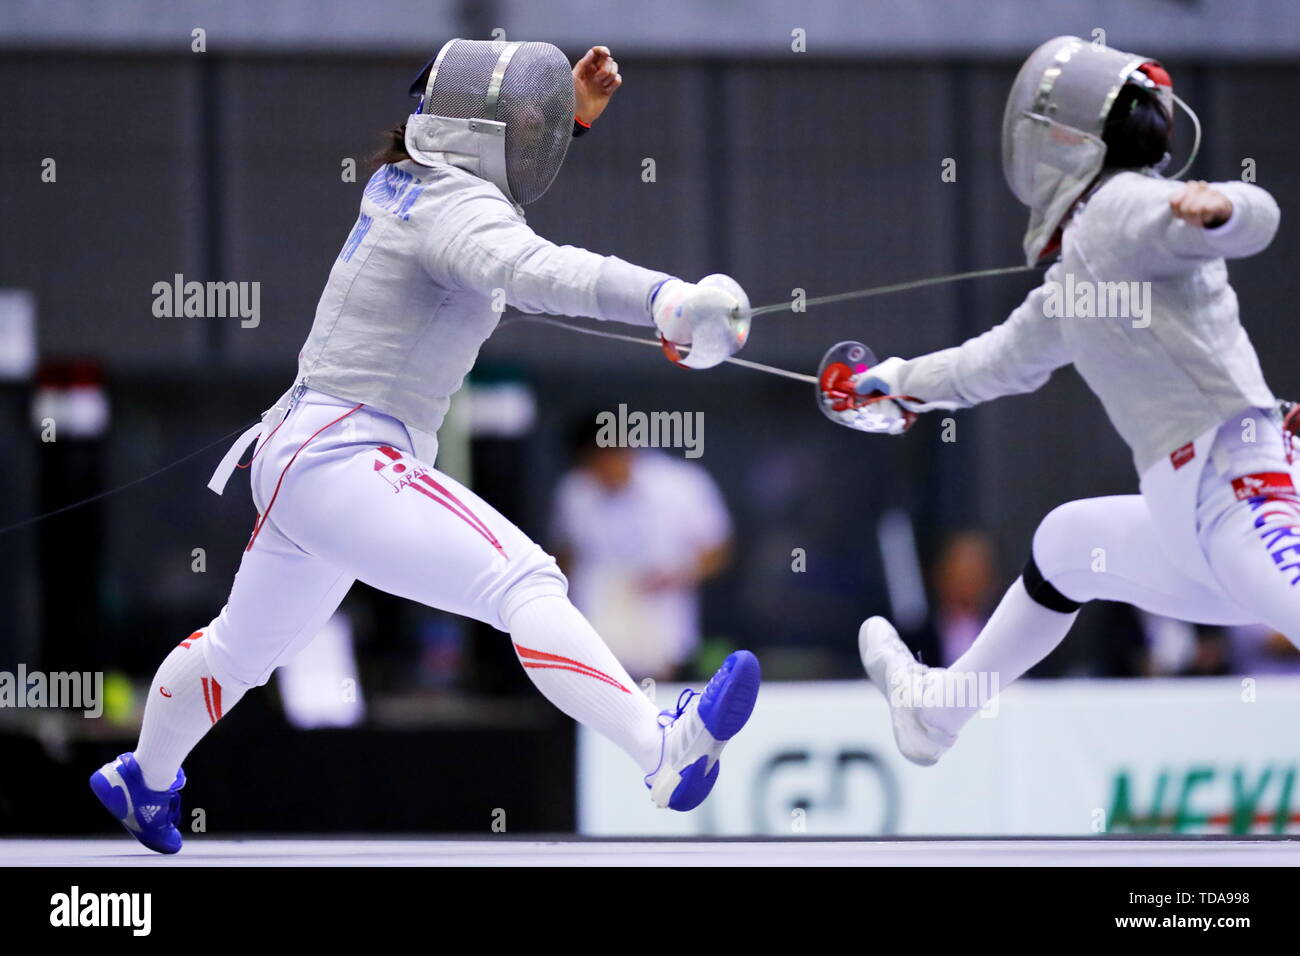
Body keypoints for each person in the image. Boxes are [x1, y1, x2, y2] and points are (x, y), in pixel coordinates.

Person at [90, 39, 760, 853]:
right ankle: (662, 752)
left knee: (239, 651)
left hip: (306, 453)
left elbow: (498, 204)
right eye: (527, 123)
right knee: (525, 579)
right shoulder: (454, 208)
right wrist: (668, 303)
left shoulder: (403, 182)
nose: (535, 136)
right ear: (478, 128)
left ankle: (144, 778)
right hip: (349, 454)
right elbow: (540, 271)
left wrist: (567, 121)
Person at [851, 36, 1293, 766]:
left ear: (1065, 138)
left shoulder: (1122, 207)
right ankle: (937, 712)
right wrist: (896, 385)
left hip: (1240, 486)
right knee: (1066, 546)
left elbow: (1257, 216)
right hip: (1194, 516)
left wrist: (1221, 209)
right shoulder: (1082, 274)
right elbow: (996, 361)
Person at [552, 417, 732, 681]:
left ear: (619, 450)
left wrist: (678, 573)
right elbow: (565, 555)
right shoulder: (575, 492)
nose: (598, 476)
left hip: (663, 636)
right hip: (598, 640)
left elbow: (719, 550)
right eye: (589, 469)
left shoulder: (681, 484)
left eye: (600, 465)